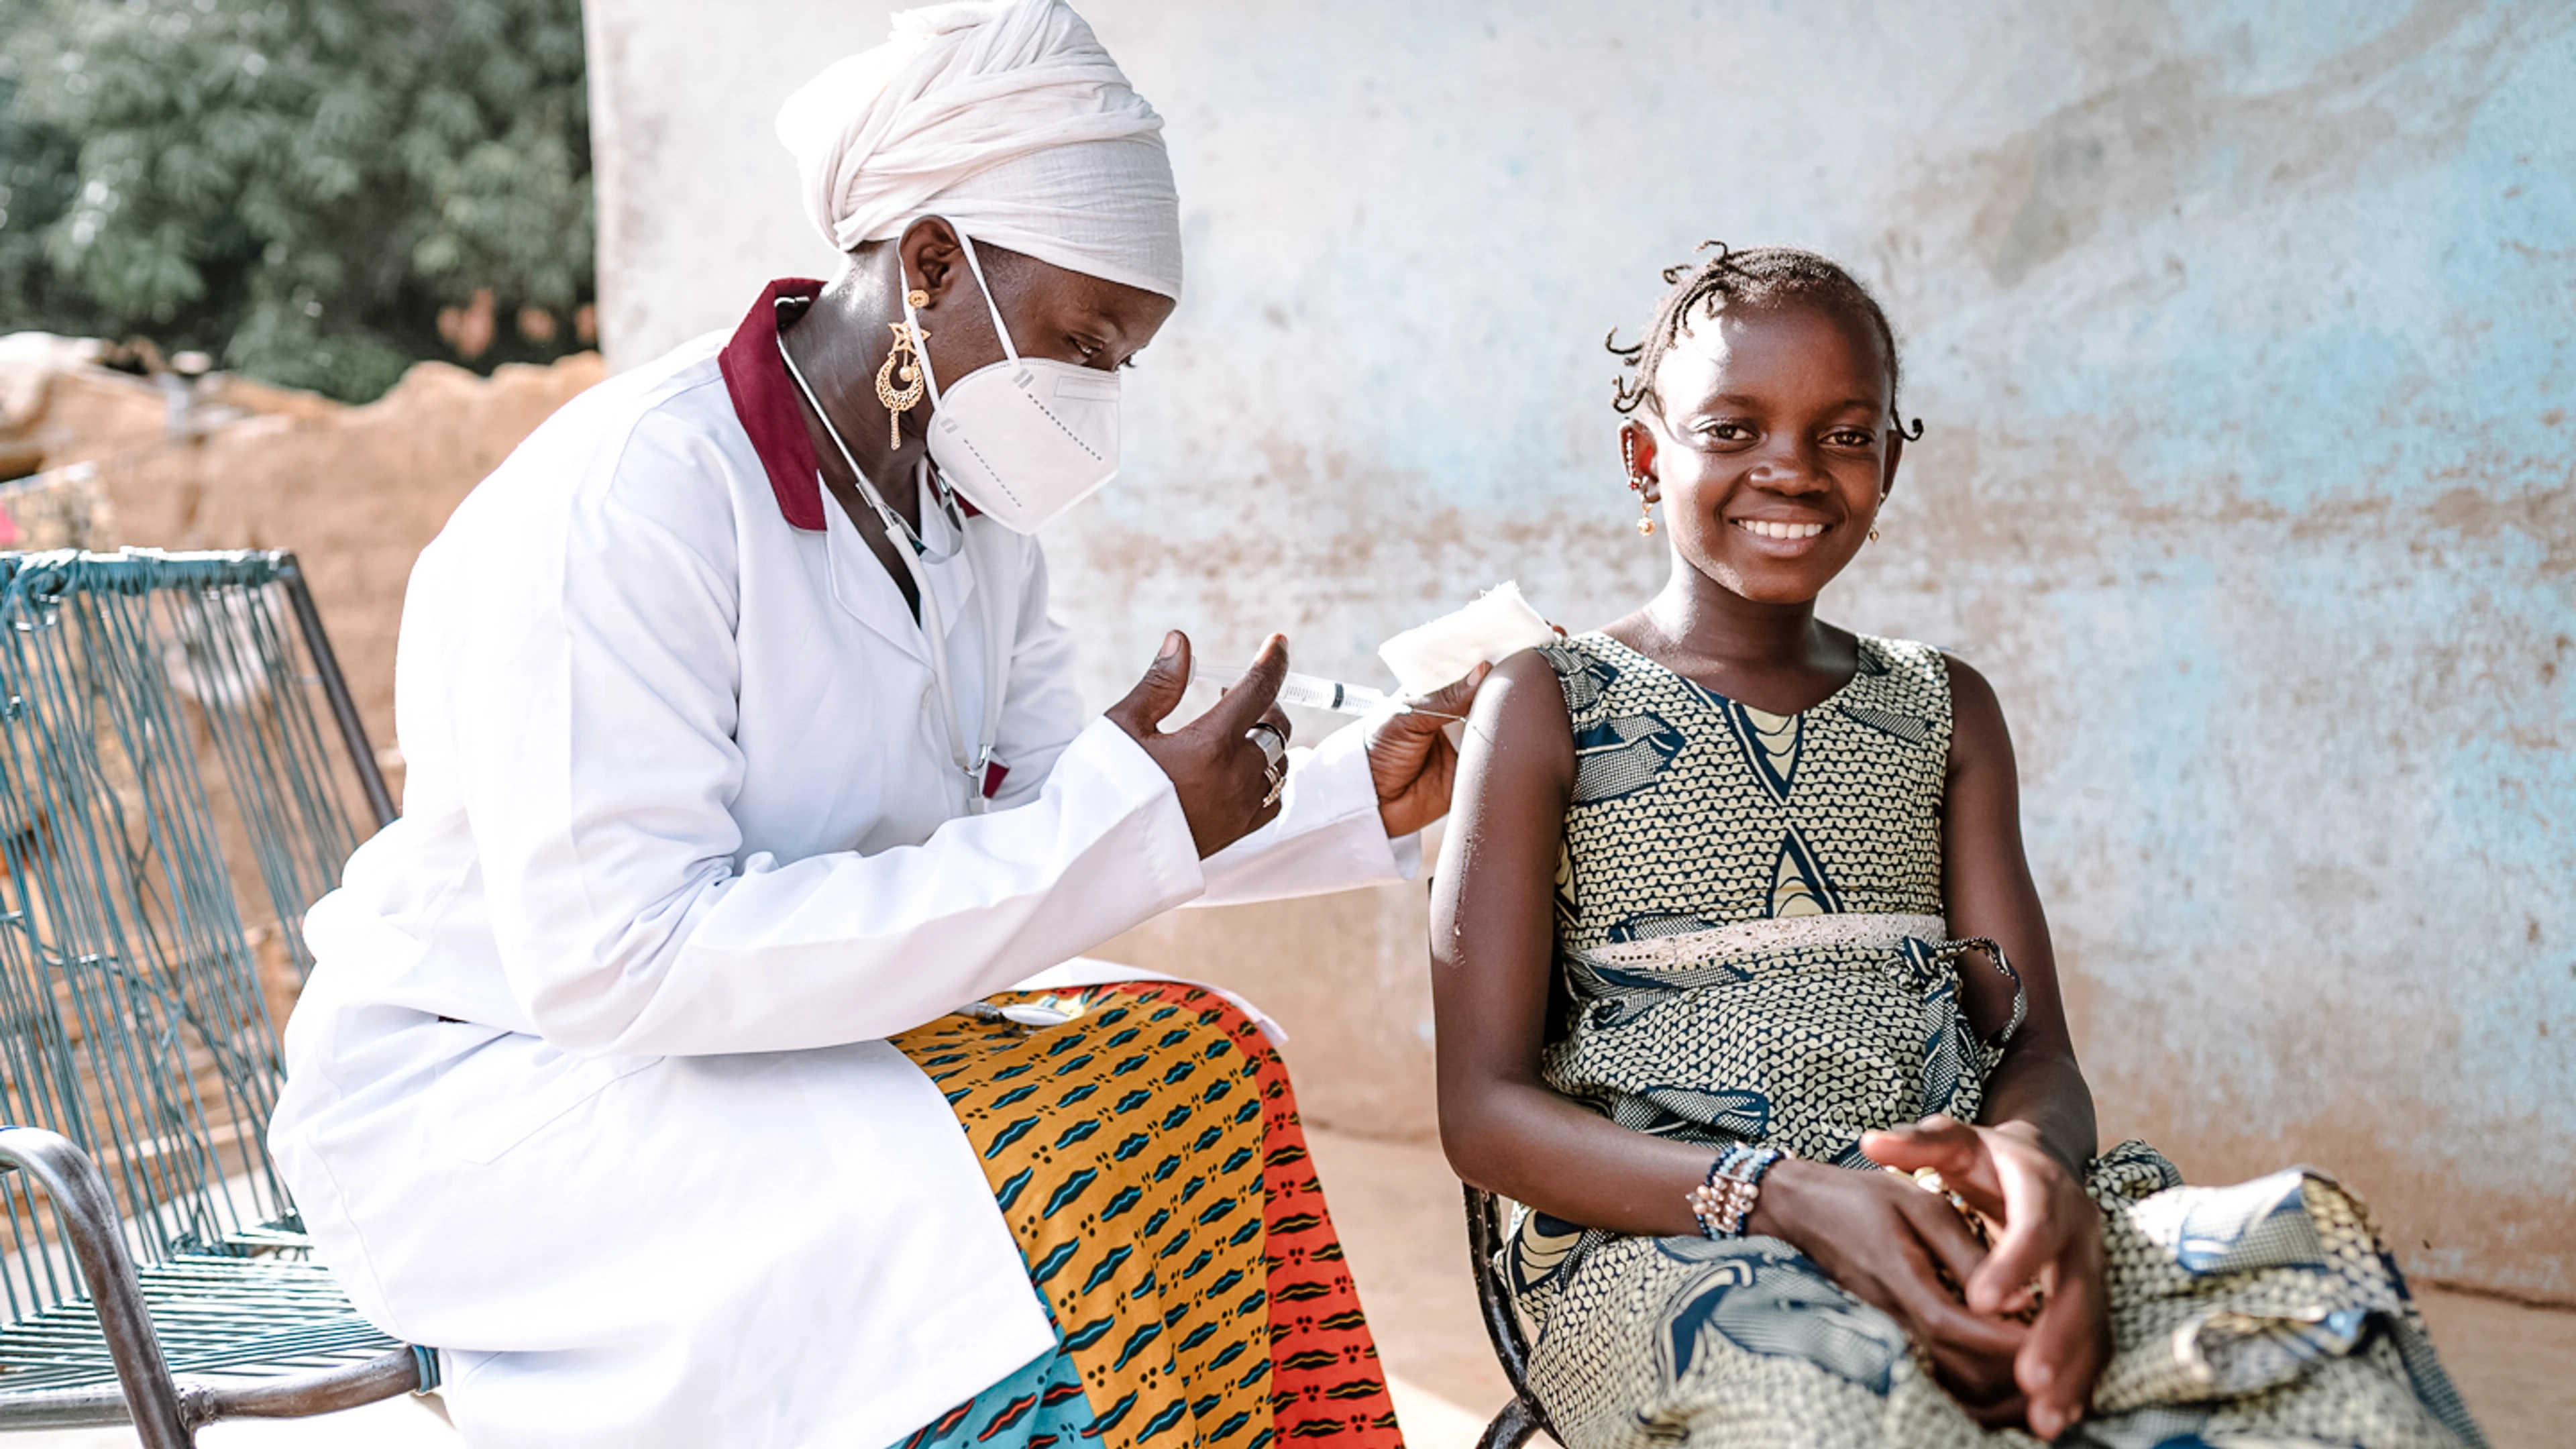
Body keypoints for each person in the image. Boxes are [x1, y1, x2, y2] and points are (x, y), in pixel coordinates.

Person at [268, 4, 1471, 1446]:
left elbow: (1049, 824)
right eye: (1083, 339)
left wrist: (1347, 797)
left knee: (1206, 1062)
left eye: (1125, 357)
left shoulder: (963, 512)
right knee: (1005, 1190)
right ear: (928, 264)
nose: (1098, 394)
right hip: (509, 1092)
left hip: (749, 1050)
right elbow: (617, 966)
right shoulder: (634, 501)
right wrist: (1132, 817)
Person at [1428, 245, 2487, 1449]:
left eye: (1845, 433)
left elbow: (2030, 1040)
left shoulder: (1942, 706)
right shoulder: (1552, 700)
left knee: (2309, 1313)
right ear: (1644, 457)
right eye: (1731, 427)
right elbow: (1484, 1111)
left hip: (1961, 1214)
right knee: (1845, 1406)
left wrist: (2032, 1177)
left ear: (1888, 459)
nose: (1792, 466)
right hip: (1678, 1239)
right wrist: (1789, 1198)